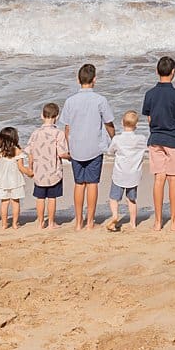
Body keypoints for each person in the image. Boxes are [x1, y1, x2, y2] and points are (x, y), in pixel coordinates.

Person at [62, 63, 115, 232]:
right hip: (95, 147)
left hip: (76, 147)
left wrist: (68, 146)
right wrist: (114, 139)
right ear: (95, 80)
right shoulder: (100, 100)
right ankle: (90, 221)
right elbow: (108, 123)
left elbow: (67, 127)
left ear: (78, 80)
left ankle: (78, 222)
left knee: (79, 184)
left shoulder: (70, 101)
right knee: (92, 183)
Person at [142, 56, 175, 232]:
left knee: (158, 178)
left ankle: (157, 221)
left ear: (157, 71)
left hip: (155, 139)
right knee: (173, 178)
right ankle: (174, 221)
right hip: (173, 140)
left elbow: (149, 118)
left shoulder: (150, 94)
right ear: (173, 72)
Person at [25, 102, 69, 230]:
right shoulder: (58, 133)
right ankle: (51, 222)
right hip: (53, 171)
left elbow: (30, 152)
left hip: (39, 171)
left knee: (40, 198)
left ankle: (40, 223)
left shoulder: (36, 133)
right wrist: (71, 156)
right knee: (51, 198)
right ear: (57, 116)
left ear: (42, 116)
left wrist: (30, 167)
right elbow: (61, 153)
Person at [0, 126, 32, 230]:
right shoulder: (18, 151)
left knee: (4, 202)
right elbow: (21, 168)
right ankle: (15, 224)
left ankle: (4, 224)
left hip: (2, 181)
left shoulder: (0, 152)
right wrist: (29, 173)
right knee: (15, 202)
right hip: (15, 181)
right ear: (15, 138)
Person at [108, 111, 147, 231]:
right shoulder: (141, 139)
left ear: (122, 122)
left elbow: (110, 151)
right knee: (131, 199)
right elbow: (146, 149)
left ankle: (115, 215)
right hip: (134, 174)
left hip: (119, 173)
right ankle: (133, 223)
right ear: (136, 125)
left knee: (114, 198)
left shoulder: (117, 139)